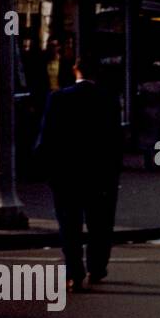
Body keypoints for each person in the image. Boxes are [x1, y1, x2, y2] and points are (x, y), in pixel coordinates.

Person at [34, 56, 122, 291]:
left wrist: (47, 171)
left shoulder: (58, 98)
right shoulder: (109, 99)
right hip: (100, 173)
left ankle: (74, 273)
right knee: (100, 224)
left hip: (67, 174)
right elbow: (115, 140)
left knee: (69, 226)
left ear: (75, 70)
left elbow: (46, 138)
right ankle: (97, 267)